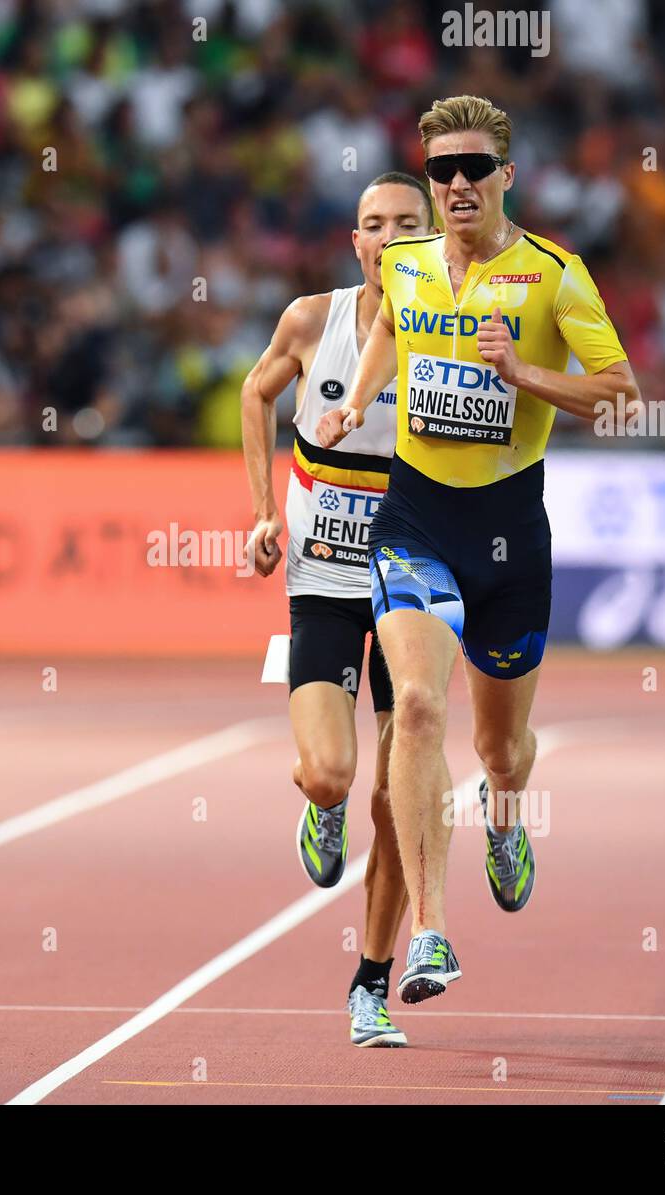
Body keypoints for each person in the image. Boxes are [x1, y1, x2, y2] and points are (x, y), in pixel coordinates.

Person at [318, 96, 641, 1004]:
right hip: (417, 521)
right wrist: (355, 401)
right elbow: (388, 329)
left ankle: (506, 819)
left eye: (473, 169)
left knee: (501, 750)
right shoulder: (409, 262)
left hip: (509, 533)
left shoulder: (555, 276)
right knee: (416, 705)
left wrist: (522, 373)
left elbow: (622, 394)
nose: (456, 185)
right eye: (441, 171)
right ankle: (430, 931)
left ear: (507, 175)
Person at [242, 172, 433, 1045]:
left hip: (411, 583)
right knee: (333, 773)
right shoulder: (311, 321)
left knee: (396, 796)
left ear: (429, 240)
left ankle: (371, 981)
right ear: (354, 242)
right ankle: (320, 805)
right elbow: (255, 394)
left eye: (405, 225)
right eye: (372, 225)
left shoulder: (449, 336)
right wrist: (263, 511)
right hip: (321, 577)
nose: (387, 237)